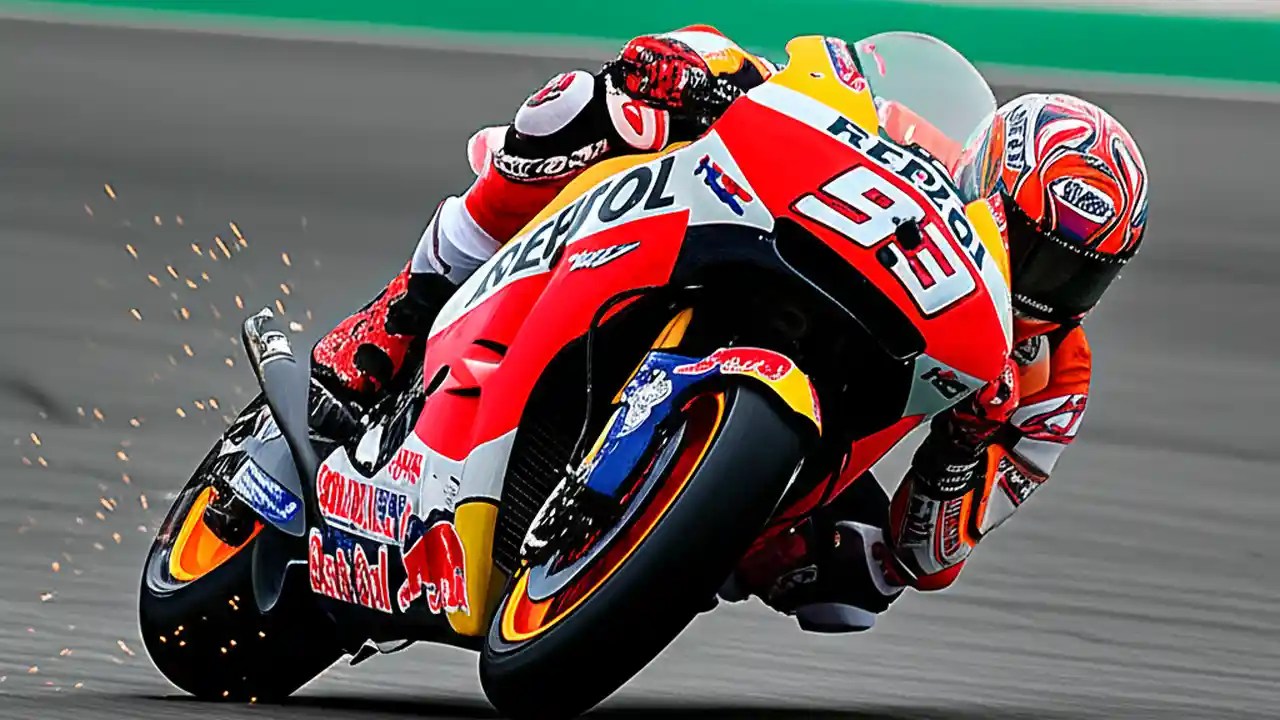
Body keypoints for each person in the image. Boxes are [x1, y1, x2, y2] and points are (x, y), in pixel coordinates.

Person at [308, 27, 1151, 633]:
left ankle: (684, 531)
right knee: (588, 105)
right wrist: (705, 71)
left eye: (1078, 275)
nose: (1047, 287)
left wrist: (965, 446)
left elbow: (929, 557)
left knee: (857, 585)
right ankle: (406, 304)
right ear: (987, 175)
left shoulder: (1053, 383)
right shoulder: (920, 144)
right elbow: (804, 80)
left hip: (830, 428)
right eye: (1035, 252)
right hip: (765, 239)